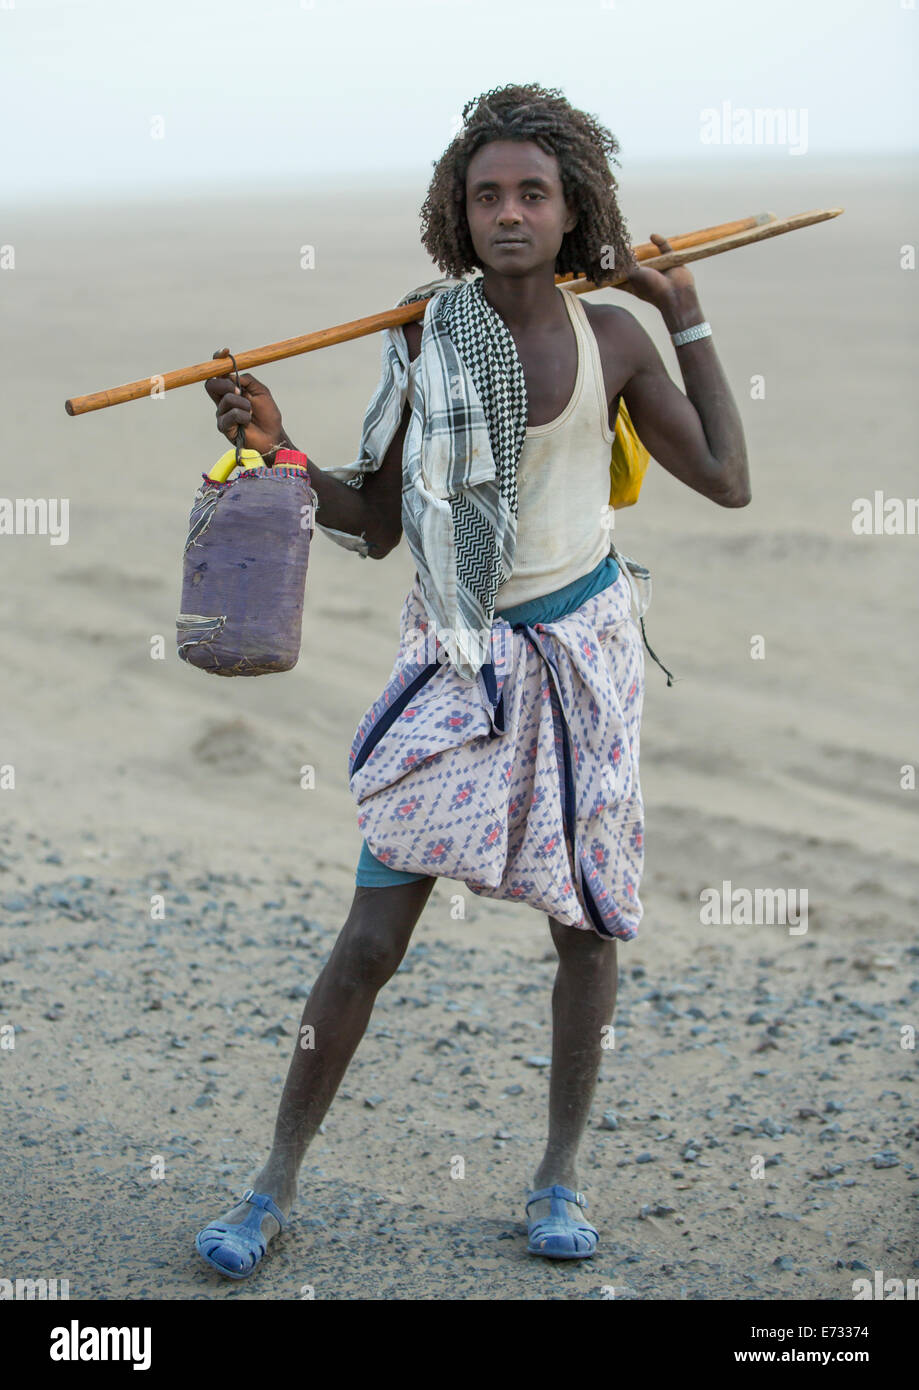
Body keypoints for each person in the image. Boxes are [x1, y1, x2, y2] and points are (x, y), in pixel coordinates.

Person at [194, 82, 750, 1279]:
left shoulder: (612, 339)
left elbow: (725, 478)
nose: (507, 212)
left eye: (531, 194)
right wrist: (281, 450)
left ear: (570, 211)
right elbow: (381, 521)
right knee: (369, 937)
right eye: (485, 193)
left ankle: (557, 1180)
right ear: (457, 211)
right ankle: (270, 1185)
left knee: (585, 931)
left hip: (582, 655)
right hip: (456, 656)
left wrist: (687, 314)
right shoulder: (421, 338)